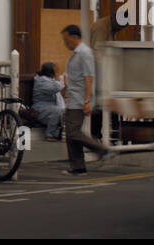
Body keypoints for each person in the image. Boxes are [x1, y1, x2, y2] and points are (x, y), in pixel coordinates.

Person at [60, 24, 106, 173]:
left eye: (66, 40)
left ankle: (100, 149)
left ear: (74, 37)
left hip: (80, 100)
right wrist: (65, 89)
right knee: (71, 135)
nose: (65, 43)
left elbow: (89, 77)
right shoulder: (76, 54)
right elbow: (75, 77)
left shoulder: (85, 53)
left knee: (73, 132)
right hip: (73, 98)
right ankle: (77, 166)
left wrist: (87, 100)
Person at [31, 62, 63, 141]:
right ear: (51, 72)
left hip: (49, 107)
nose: (57, 71)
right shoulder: (41, 81)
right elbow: (57, 87)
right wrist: (57, 75)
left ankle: (62, 133)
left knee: (65, 111)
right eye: (55, 70)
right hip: (40, 108)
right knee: (57, 110)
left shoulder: (48, 79)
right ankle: (49, 134)